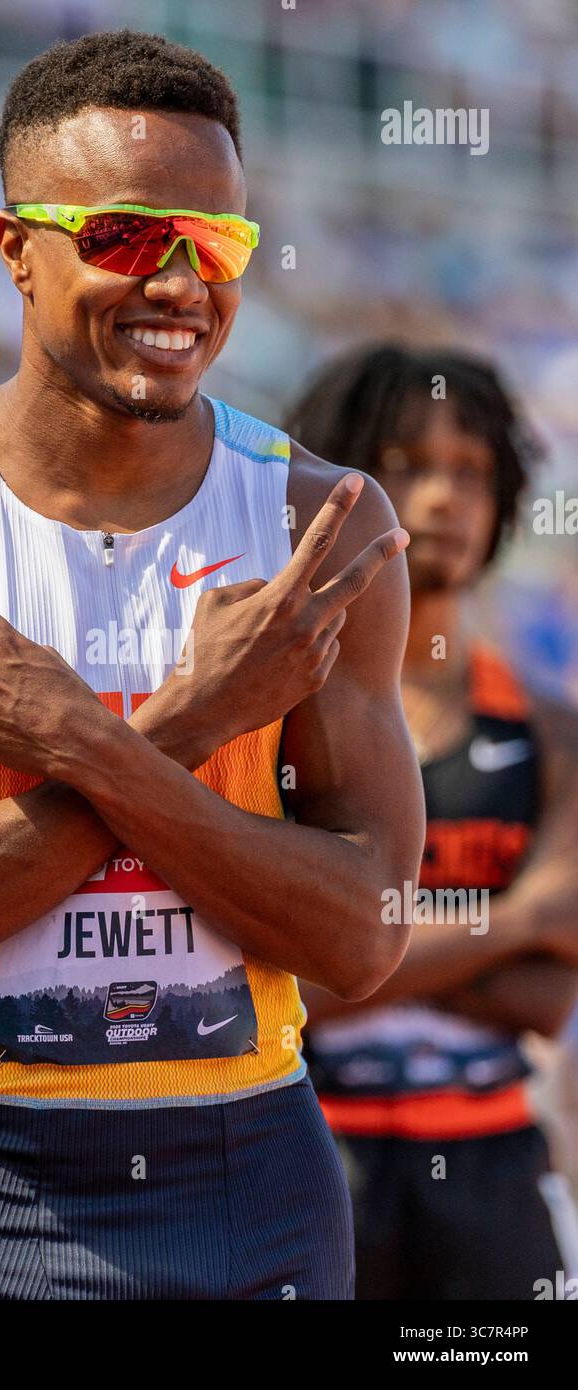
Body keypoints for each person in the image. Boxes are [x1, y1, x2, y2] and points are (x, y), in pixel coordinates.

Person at [0, 32, 423, 1301]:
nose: (181, 283)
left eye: (216, 244)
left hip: (256, 1172)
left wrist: (95, 741)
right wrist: (193, 722)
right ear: (17, 246)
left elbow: (364, 935)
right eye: (129, 239)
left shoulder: (324, 528)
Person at [287, 343, 578, 1300]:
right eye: (409, 465)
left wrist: (358, 951)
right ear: (335, 480)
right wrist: (516, 922)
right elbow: (276, 988)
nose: (446, 498)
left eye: (471, 471)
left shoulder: (555, 734)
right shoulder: (273, 720)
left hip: (495, 1179)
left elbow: (545, 999)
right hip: (307, 1166)